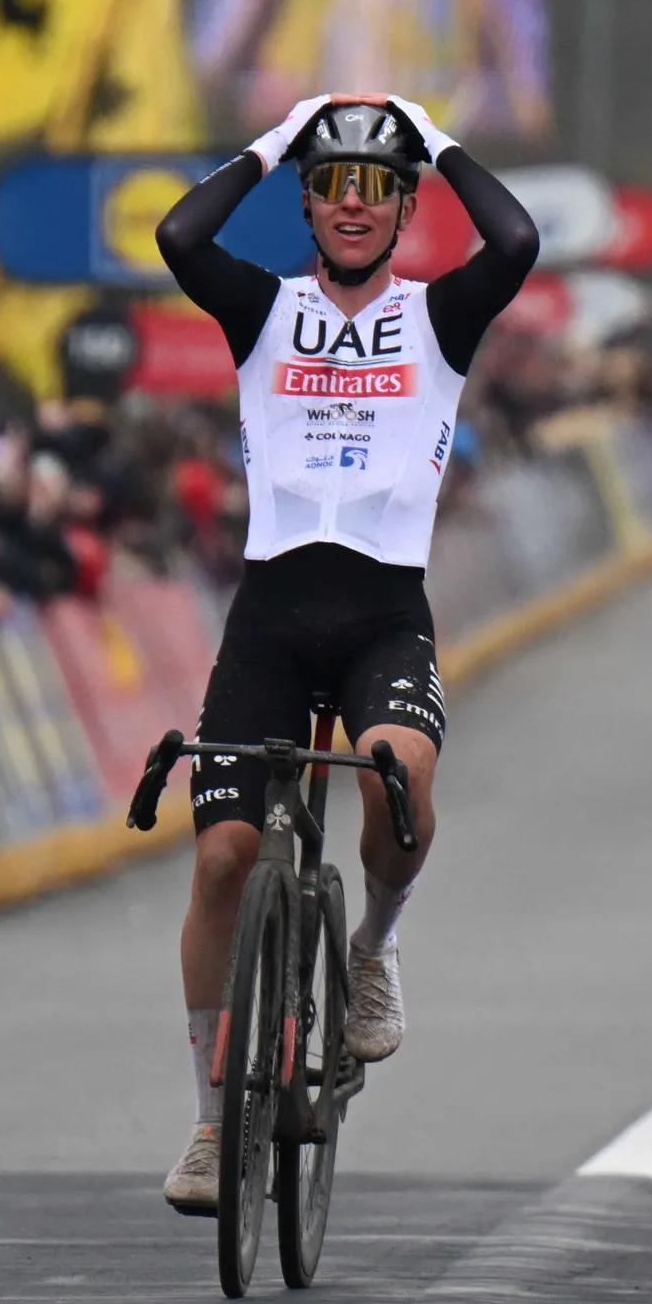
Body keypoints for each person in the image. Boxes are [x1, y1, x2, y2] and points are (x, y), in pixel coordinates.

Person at [147, 92, 539, 1213]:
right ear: (308, 202)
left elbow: (514, 238)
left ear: (406, 203)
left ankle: (372, 949)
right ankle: (214, 1121)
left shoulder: (437, 318)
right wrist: (285, 132)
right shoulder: (261, 310)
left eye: (378, 187)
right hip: (269, 617)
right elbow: (180, 234)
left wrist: (427, 127)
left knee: (398, 770)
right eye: (333, 186)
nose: (356, 206)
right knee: (223, 860)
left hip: (380, 616)